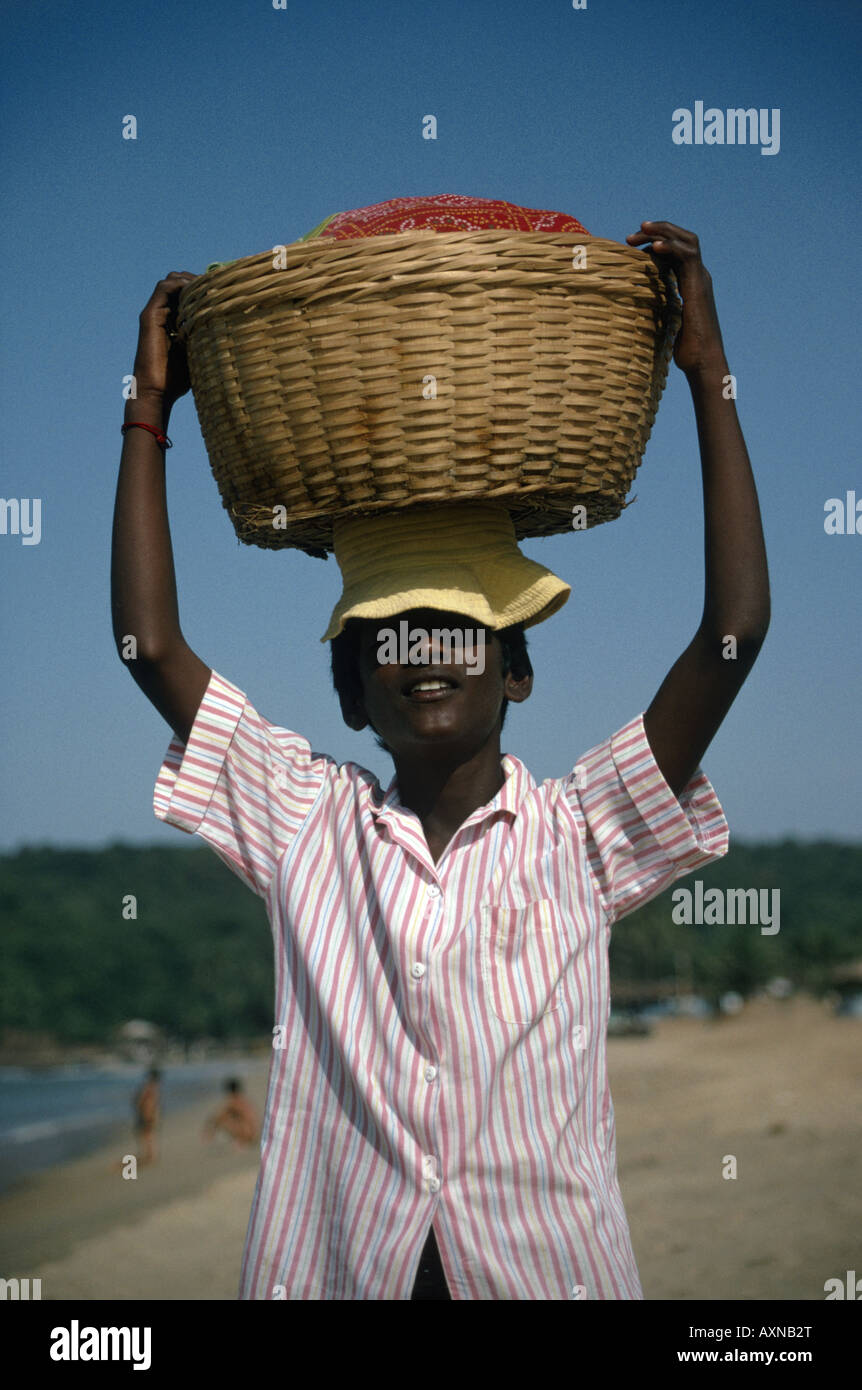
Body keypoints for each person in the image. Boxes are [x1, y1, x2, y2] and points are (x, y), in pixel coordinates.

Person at [111, 220, 769, 1299]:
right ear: (349, 688)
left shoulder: (582, 832)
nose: (423, 650)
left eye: (457, 625)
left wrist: (707, 369)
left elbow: (733, 633)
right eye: (389, 634)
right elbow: (149, 646)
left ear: (515, 672)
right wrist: (148, 412)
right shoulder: (300, 821)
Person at [203, 1078, 259, 1148]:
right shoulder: (244, 1100)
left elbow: (219, 1116)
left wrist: (210, 1130)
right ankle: (241, 1139)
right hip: (254, 1133)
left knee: (224, 1120)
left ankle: (240, 1140)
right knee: (230, 1116)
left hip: (247, 1134)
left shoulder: (233, 1102)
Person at [132, 1066, 161, 1166]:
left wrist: (140, 1107)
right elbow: (154, 1103)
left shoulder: (149, 1087)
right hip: (150, 1113)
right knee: (148, 1134)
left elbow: (143, 1101)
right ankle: (150, 1154)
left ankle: (150, 1155)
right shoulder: (154, 1087)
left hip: (146, 1113)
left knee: (146, 1134)